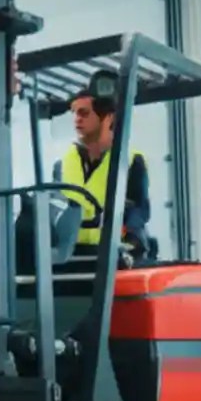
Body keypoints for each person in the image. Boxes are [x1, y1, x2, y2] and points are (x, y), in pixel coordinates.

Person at [52, 80, 152, 263]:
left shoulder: (130, 161)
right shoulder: (62, 164)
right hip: (73, 254)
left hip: (114, 254)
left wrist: (129, 237)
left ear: (108, 118)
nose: (77, 119)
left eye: (84, 113)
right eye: (74, 113)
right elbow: (56, 207)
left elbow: (139, 210)